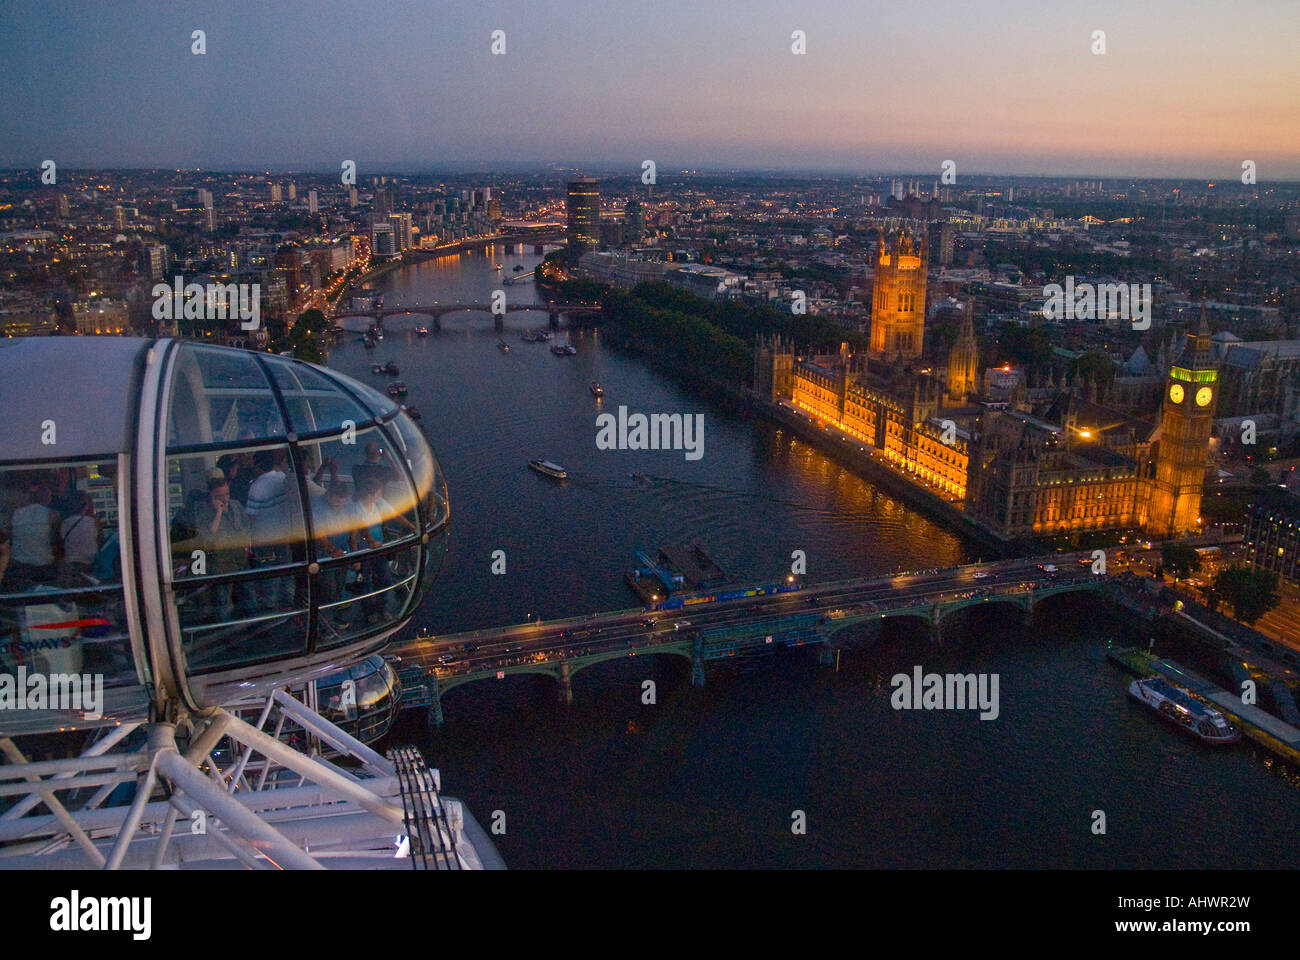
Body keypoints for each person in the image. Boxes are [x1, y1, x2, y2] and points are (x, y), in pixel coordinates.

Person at [192, 478, 253, 622]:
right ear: (211, 495)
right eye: (220, 496)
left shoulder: (236, 506)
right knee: (223, 601)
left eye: (227, 494)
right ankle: (226, 632)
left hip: (240, 557)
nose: (225, 498)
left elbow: (247, 527)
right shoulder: (203, 510)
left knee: (249, 595)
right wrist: (218, 513)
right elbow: (207, 537)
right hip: (221, 563)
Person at [245, 449, 300, 606]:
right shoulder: (282, 478)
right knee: (287, 572)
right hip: (284, 535)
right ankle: (289, 604)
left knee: (270, 575)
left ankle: (271, 608)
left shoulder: (256, 487)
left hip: (264, 540)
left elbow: (250, 516)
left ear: (258, 467)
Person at [309, 476, 360, 623]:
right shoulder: (316, 507)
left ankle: (334, 616)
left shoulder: (347, 504)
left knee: (338, 586)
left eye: (343, 500)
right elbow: (319, 536)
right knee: (327, 589)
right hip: (323, 557)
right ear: (329, 493)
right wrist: (332, 550)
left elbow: (353, 529)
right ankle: (324, 625)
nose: (340, 503)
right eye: (337, 500)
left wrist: (354, 553)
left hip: (341, 555)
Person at [9, 482, 61, 588]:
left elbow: (9, 536)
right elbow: (58, 541)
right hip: (44, 565)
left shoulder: (16, 513)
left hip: (19, 564)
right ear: (47, 498)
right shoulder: (52, 514)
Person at [59, 493, 100, 575]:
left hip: (71, 562)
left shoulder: (64, 522)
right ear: (86, 506)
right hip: (90, 562)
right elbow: (99, 540)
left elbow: (62, 540)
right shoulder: (93, 521)